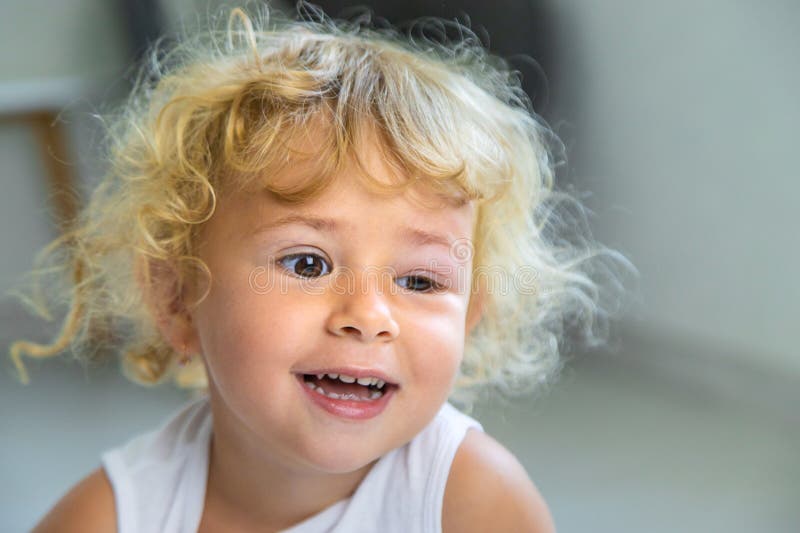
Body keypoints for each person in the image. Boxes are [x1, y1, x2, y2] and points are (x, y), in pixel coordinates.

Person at [11, 3, 629, 532]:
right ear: (177, 298)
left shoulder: (470, 503)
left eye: (419, 280)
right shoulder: (117, 515)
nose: (368, 316)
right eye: (308, 262)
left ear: (469, 316)